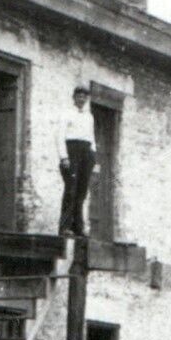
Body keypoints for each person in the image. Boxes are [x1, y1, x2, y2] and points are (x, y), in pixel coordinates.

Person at [58, 83, 97, 237]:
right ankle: (64, 227)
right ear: (74, 97)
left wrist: (93, 154)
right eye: (79, 96)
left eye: (84, 96)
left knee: (81, 191)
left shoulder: (89, 117)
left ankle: (78, 227)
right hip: (71, 151)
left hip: (86, 152)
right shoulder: (66, 114)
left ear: (87, 99)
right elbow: (59, 136)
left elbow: (91, 136)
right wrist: (64, 157)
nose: (81, 99)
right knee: (71, 189)